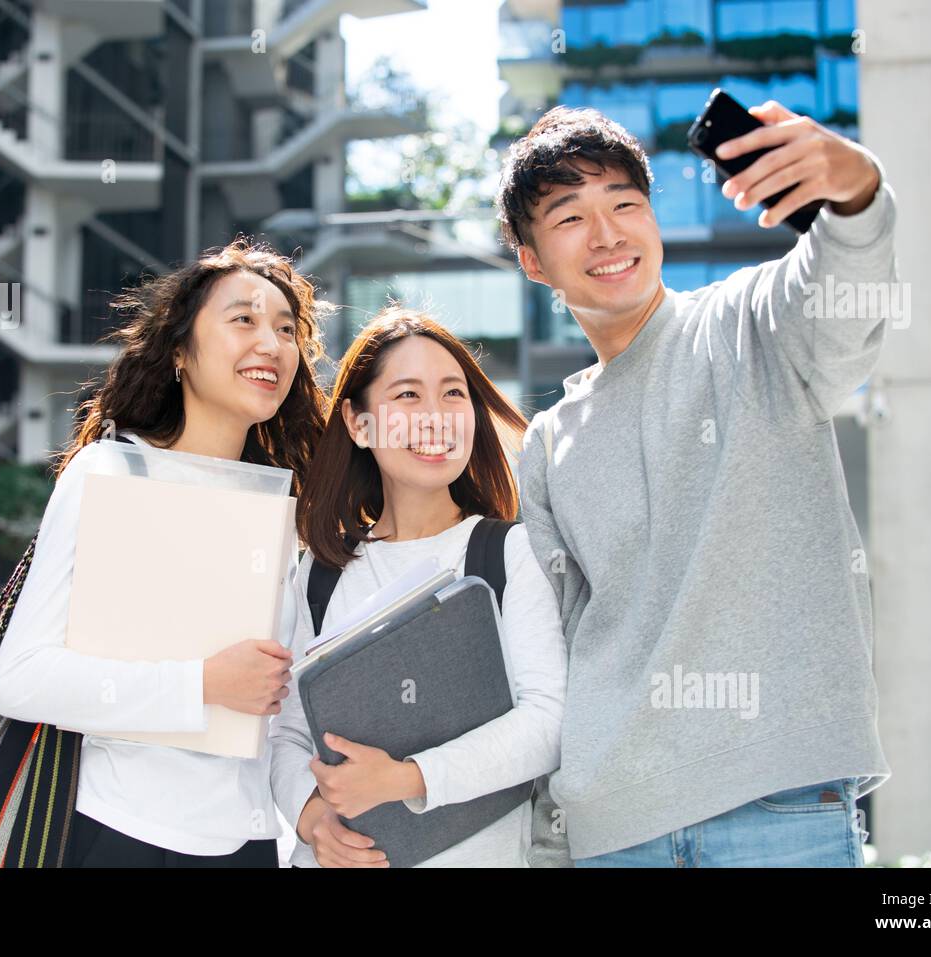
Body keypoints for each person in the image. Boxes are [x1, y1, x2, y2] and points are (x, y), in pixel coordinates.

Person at [495, 102, 896, 867]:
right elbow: (555, 650)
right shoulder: (547, 442)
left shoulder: (748, 325)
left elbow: (846, 287)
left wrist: (856, 190)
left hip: (781, 807)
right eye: (570, 216)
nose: (608, 234)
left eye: (625, 205)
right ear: (533, 259)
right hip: (616, 826)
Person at [0, 237, 327, 867]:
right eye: (243, 320)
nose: (271, 344)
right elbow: (21, 679)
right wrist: (202, 684)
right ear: (179, 352)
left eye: (287, 329)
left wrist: (311, 815)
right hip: (123, 833)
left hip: (250, 843)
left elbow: (286, 709)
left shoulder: (294, 513)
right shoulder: (111, 473)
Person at [270, 306, 567, 867]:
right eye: (408, 396)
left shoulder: (508, 553)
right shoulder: (321, 571)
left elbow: (547, 722)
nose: (436, 416)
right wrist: (312, 819)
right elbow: (285, 734)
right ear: (359, 424)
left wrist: (405, 780)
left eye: (453, 394)